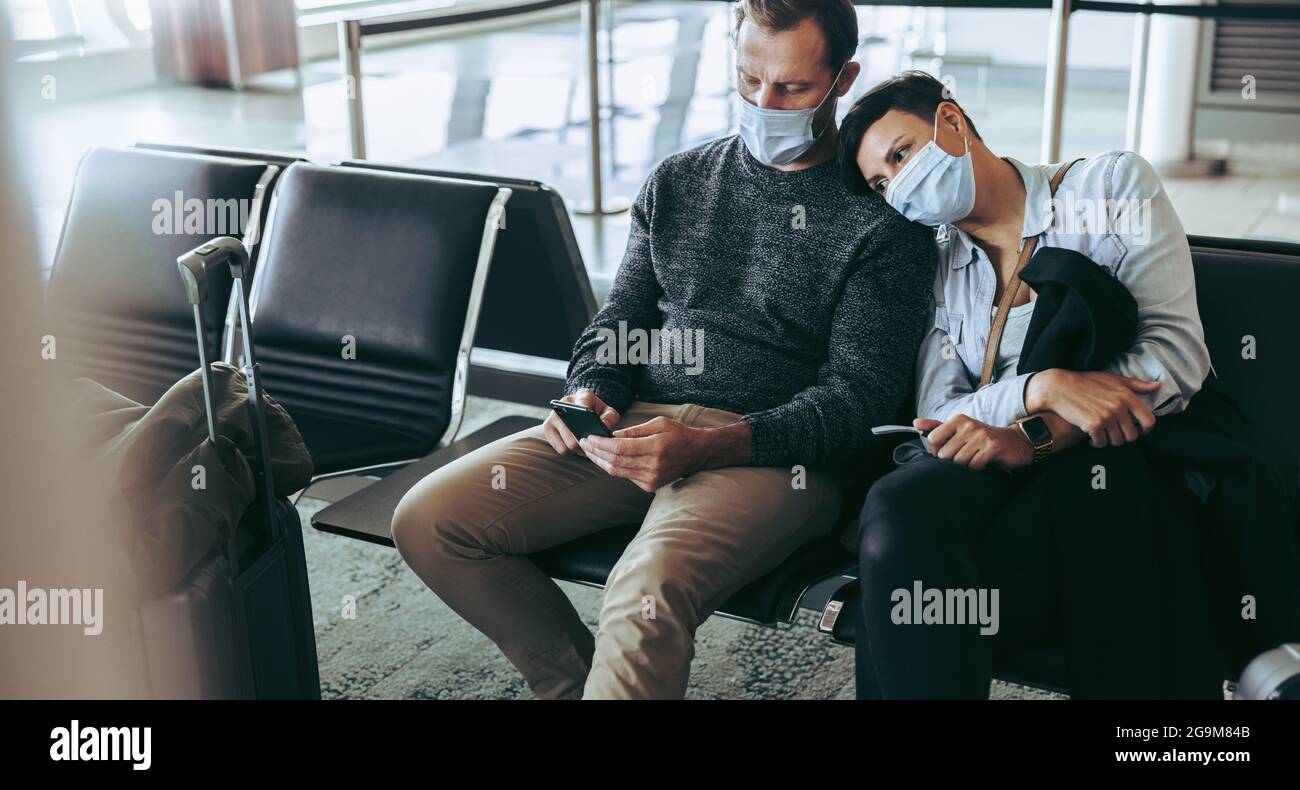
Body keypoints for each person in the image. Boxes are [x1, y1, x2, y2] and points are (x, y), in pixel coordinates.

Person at [389, 2, 938, 700]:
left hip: (775, 458)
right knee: (432, 522)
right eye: (748, 79)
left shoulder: (883, 219)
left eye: (793, 89)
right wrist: (591, 389)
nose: (764, 103)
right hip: (634, 424)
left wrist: (709, 447)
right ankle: (578, 686)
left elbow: (859, 399)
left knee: (645, 586)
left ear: (843, 79)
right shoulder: (679, 180)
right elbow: (621, 318)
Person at [837, 71, 1219, 698]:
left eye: (902, 155)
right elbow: (939, 411)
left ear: (952, 123)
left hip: (1111, 467)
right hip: (989, 476)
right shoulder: (935, 263)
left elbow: (1174, 356)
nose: (898, 186)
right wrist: (1039, 387)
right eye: (882, 183)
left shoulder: (1109, 186)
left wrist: (1035, 435)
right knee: (897, 506)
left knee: (913, 573)